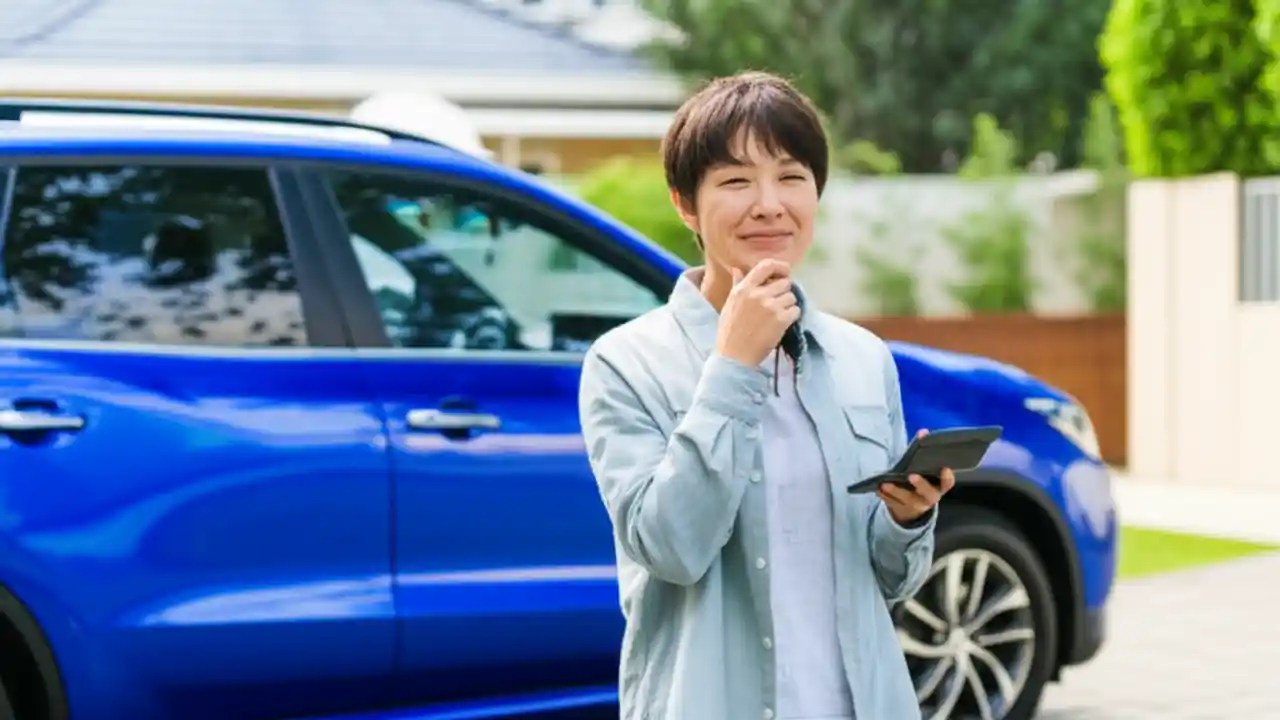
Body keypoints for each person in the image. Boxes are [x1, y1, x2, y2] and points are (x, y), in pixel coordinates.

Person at [577, 71, 955, 720]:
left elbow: (893, 582)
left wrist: (907, 519)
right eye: (735, 181)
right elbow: (670, 549)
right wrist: (733, 366)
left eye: (791, 176)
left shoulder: (863, 358)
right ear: (685, 205)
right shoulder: (627, 363)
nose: (769, 204)